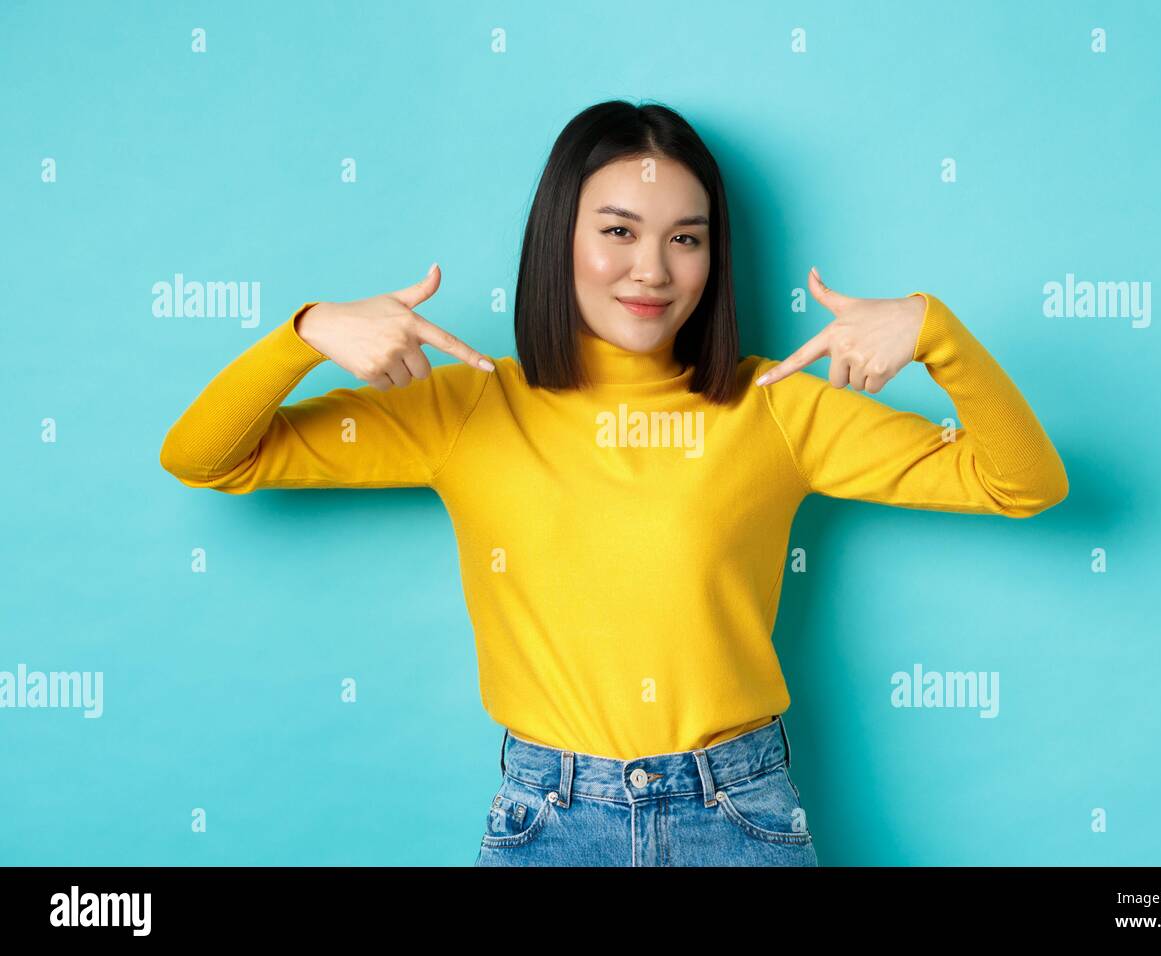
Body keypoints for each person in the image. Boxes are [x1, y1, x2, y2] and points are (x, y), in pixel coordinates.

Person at [159, 99, 1068, 867]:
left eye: (686, 238)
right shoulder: (471, 409)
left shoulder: (777, 404)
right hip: (547, 816)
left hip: (739, 815)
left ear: (713, 260)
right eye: (619, 232)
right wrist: (306, 331)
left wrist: (935, 334)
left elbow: (1020, 484)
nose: (652, 269)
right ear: (562, 237)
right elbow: (207, 456)